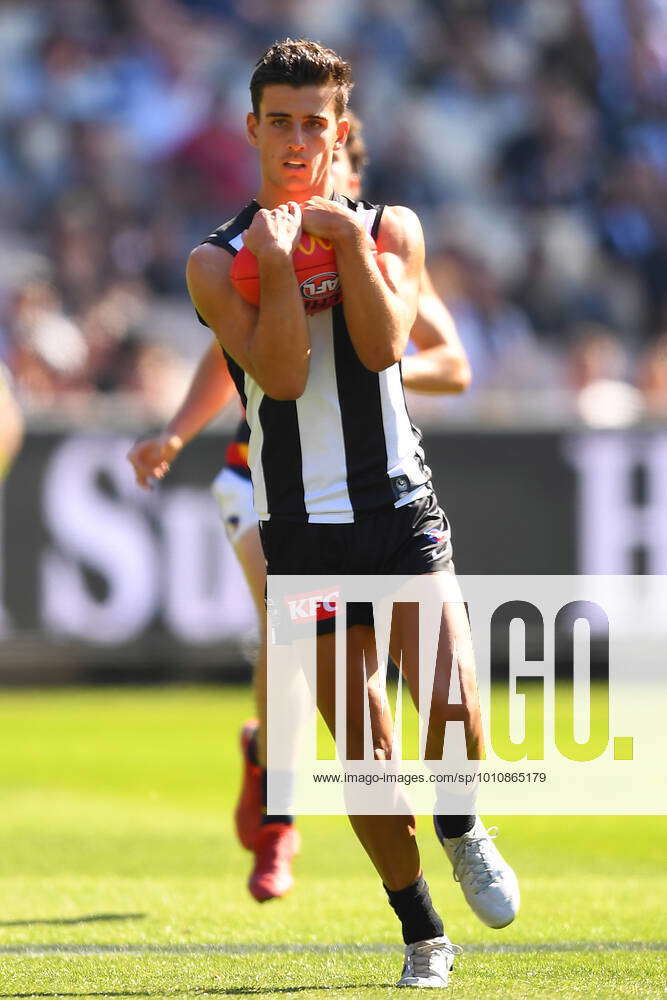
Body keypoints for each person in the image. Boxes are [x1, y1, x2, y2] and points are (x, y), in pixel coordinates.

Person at [185, 38, 520, 987]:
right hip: (302, 533)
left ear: (339, 133)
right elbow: (284, 377)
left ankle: (461, 823)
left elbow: (380, 350)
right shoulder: (216, 261)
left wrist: (340, 246)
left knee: (454, 701)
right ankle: (422, 933)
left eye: (313, 124)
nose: (297, 141)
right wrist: (278, 264)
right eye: (279, 123)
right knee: (366, 752)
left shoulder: (392, 229)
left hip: (398, 505)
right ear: (253, 129)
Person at [128, 112, 472, 908]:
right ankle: (278, 814)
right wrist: (175, 433)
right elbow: (226, 355)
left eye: (336, 173)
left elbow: (451, 363)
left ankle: (287, 764)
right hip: (259, 483)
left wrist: (362, 366)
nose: (318, 186)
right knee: (290, 632)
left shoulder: (375, 247)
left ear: (349, 175)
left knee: (376, 677)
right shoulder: (256, 254)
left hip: (362, 488)